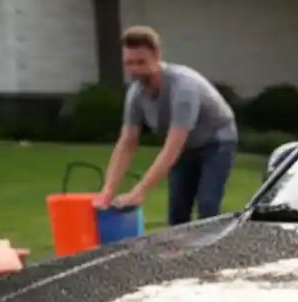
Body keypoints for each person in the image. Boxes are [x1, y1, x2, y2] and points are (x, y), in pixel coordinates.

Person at [94, 26, 239, 226]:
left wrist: (138, 192)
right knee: (177, 211)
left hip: (216, 141)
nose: (135, 69)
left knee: (207, 206)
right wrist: (108, 190)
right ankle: (179, 255)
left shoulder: (182, 88)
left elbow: (173, 147)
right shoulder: (136, 93)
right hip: (186, 146)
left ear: (157, 56)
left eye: (141, 62)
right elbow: (127, 143)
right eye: (129, 63)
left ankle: (212, 253)